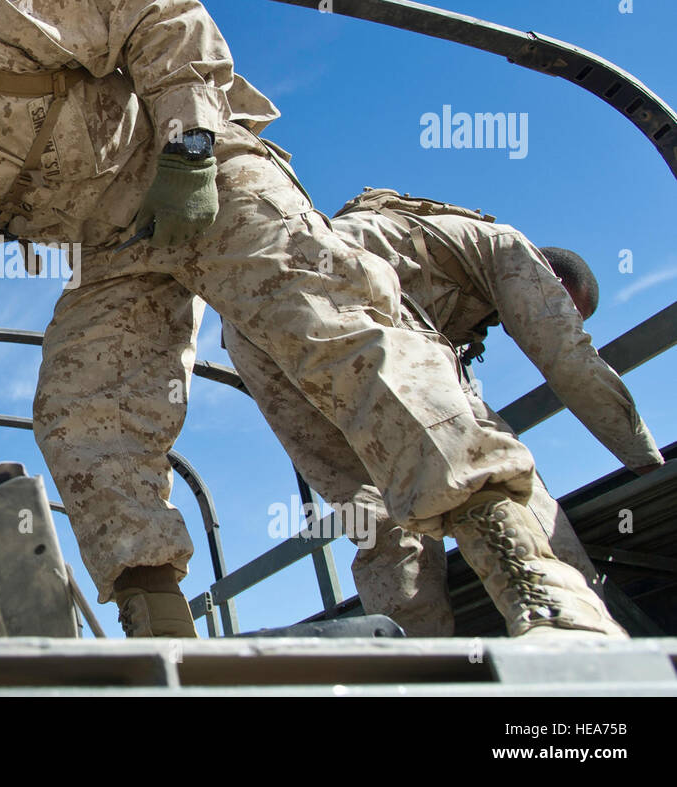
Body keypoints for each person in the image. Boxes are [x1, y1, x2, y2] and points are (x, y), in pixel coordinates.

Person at [0, 0, 624, 640]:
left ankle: (534, 579)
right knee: (80, 416)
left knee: (326, 323)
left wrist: (190, 144)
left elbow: (161, 14)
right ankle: (166, 649)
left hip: (200, 177)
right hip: (120, 254)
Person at [224, 190, 663, 634]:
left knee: (379, 518)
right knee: (495, 469)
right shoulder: (510, 248)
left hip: (253, 324)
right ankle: (575, 628)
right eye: (571, 310)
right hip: (341, 286)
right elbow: (568, 358)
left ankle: (412, 665)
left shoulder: (431, 253)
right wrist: (644, 457)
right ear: (557, 283)